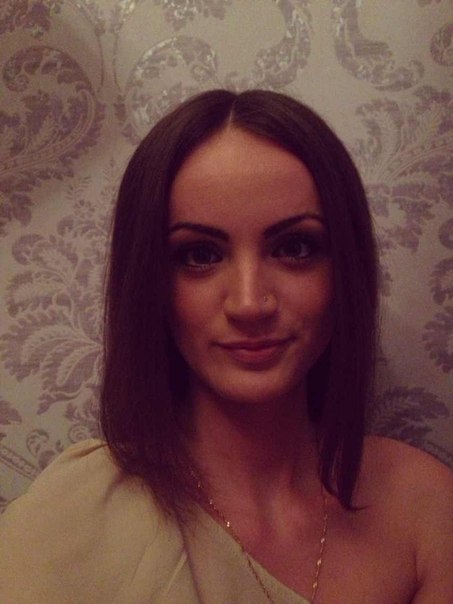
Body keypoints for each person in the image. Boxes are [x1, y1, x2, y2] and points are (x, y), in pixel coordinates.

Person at [0, 89, 452, 604]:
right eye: (199, 255)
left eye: (295, 247)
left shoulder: (423, 506)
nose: (249, 303)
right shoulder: (73, 518)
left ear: (345, 269)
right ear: (150, 283)